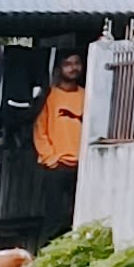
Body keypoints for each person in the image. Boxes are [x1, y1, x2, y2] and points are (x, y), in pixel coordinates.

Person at [31, 48, 88, 179]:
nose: (73, 68)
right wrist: (50, 159)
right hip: (57, 165)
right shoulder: (49, 96)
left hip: (82, 164)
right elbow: (40, 130)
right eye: (68, 64)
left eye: (77, 63)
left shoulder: (87, 95)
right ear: (58, 69)